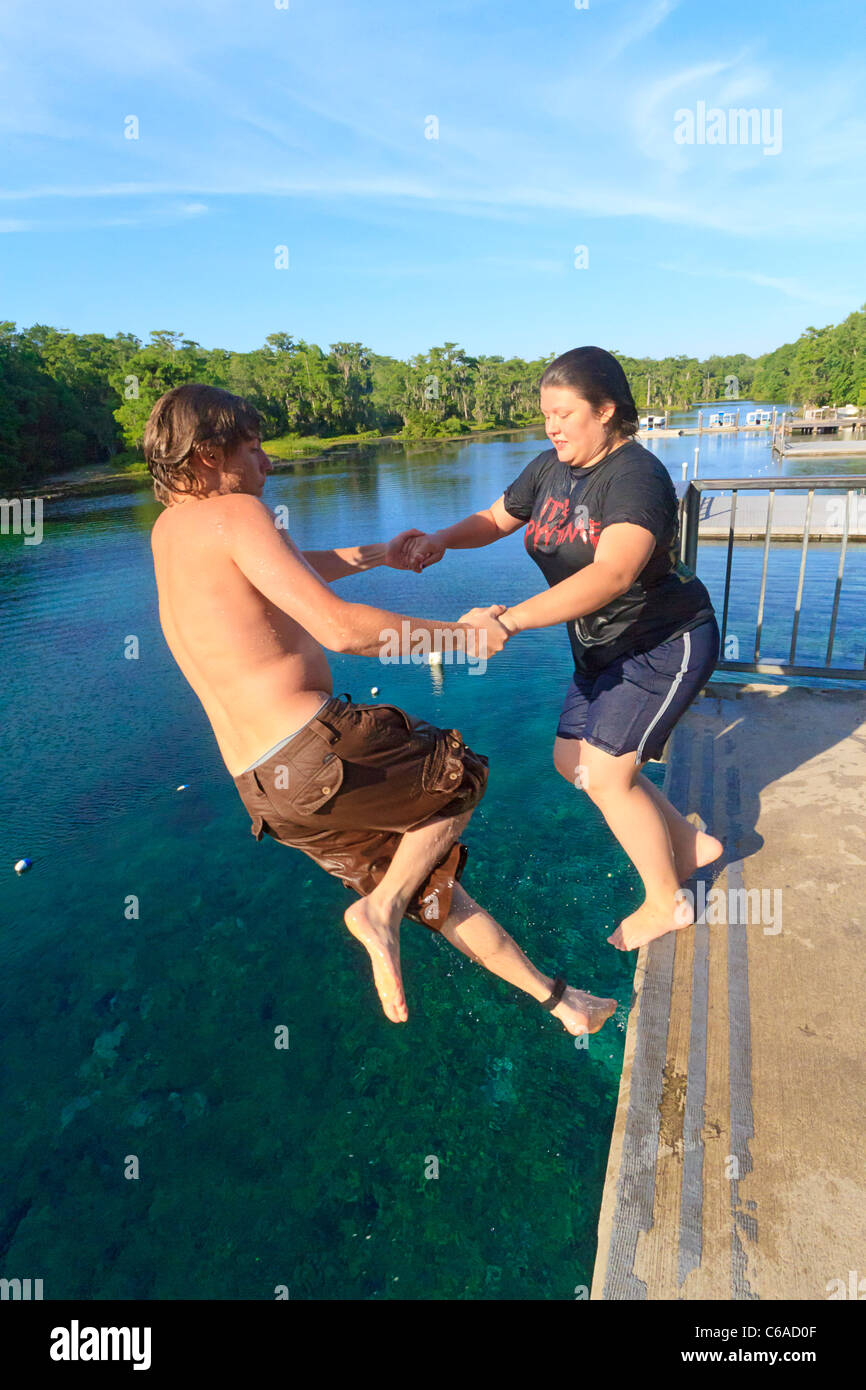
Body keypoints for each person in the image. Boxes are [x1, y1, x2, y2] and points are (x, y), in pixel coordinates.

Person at [146, 383, 616, 1035]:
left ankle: (562, 1002)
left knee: (431, 889)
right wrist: (464, 638)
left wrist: (378, 554)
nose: (268, 463)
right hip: (312, 747)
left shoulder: (171, 534)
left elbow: (288, 571)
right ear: (205, 457)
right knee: (461, 774)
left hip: (267, 794)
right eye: (254, 448)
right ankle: (381, 910)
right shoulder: (234, 512)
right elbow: (341, 630)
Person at [400, 347, 723, 952]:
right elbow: (497, 518)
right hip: (600, 647)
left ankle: (666, 902)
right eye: (546, 415)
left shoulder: (635, 476)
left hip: (662, 642)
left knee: (606, 775)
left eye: (564, 413)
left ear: (606, 411)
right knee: (568, 761)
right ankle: (686, 841)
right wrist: (440, 540)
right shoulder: (550, 468)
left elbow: (613, 574)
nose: (551, 427)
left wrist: (509, 621)